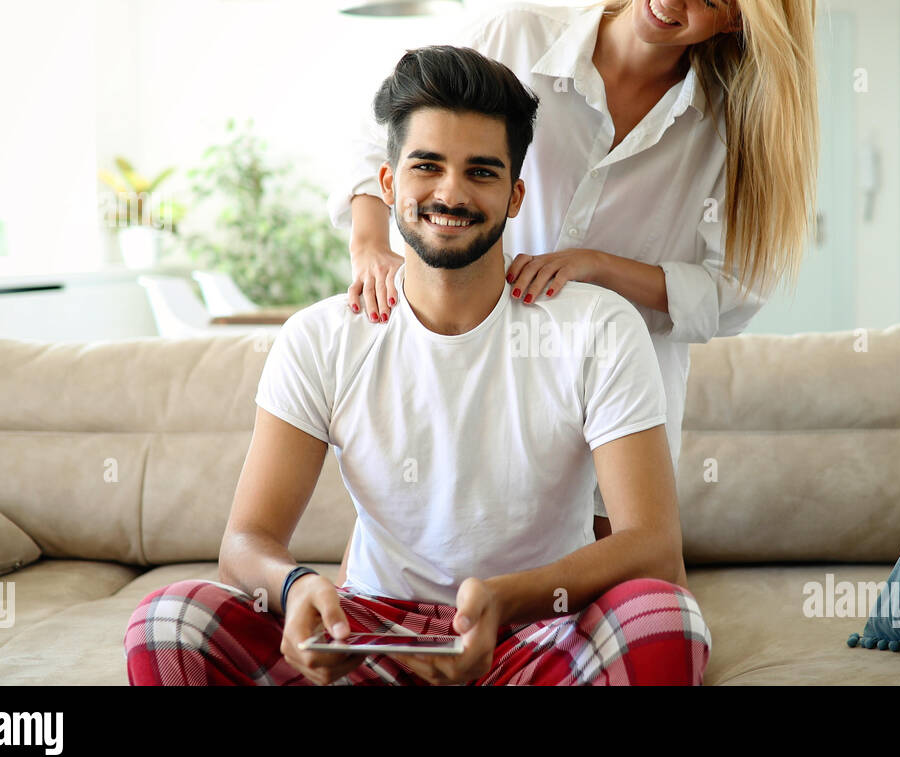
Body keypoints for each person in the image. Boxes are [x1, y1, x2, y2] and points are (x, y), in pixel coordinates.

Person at [124, 44, 711, 686]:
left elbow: (655, 549)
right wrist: (294, 589)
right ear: (387, 183)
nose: (450, 192)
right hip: (369, 630)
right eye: (427, 166)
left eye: (481, 172)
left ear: (516, 196)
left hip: (536, 629)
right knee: (167, 623)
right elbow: (244, 544)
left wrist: (502, 600)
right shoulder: (321, 337)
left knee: (666, 621)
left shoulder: (597, 325)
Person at [330, 0, 820, 538]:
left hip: (614, 412)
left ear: (735, 21)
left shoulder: (734, 123)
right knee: (422, 570)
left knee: (605, 592)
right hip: (473, 376)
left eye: (709, 0)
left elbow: (736, 291)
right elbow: (382, 137)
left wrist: (599, 267)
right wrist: (369, 245)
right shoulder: (516, 35)